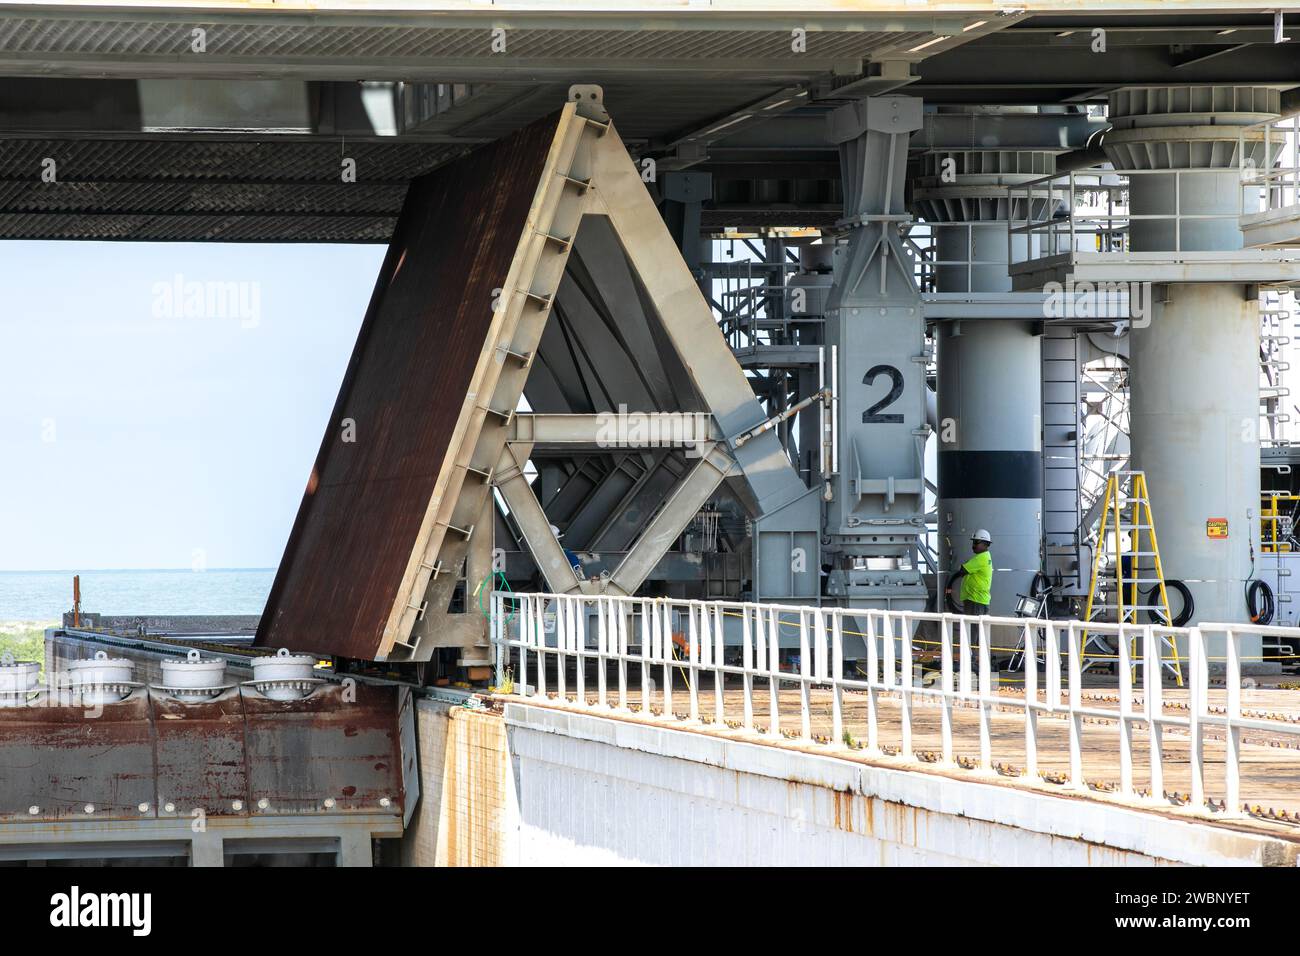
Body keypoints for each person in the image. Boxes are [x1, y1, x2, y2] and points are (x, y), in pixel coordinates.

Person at [948, 529, 993, 616]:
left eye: (976, 542)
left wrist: (963, 565)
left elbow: (962, 570)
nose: (973, 545)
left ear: (985, 544)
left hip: (975, 600)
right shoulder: (985, 557)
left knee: (974, 628)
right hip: (977, 600)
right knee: (974, 627)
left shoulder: (980, 558)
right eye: (973, 542)